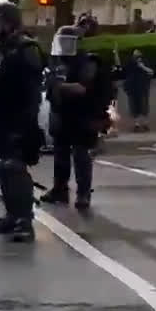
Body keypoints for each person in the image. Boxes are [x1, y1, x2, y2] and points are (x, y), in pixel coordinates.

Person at [0, 2, 44, 243]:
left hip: (17, 118)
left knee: (15, 168)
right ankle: (11, 214)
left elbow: (29, 91)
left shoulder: (25, 48)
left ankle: (24, 220)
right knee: (1, 168)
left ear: (9, 24)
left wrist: (23, 124)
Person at [41, 25, 112, 212]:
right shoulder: (56, 62)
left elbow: (82, 88)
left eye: (67, 42)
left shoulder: (88, 62)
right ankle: (59, 190)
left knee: (81, 155)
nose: (63, 46)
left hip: (83, 115)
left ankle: (83, 194)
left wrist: (59, 86)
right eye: (60, 41)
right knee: (60, 155)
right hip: (62, 114)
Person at [122, 49, 154, 131]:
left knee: (144, 106)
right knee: (133, 107)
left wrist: (142, 66)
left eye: (138, 54)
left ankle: (145, 124)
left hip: (143, 88)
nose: (137, 56)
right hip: (132, 88)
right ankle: (136, 125)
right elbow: (122, 69)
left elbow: (151, 72)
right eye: (135, 55)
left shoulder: (145, 62)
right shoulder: (130, 63)